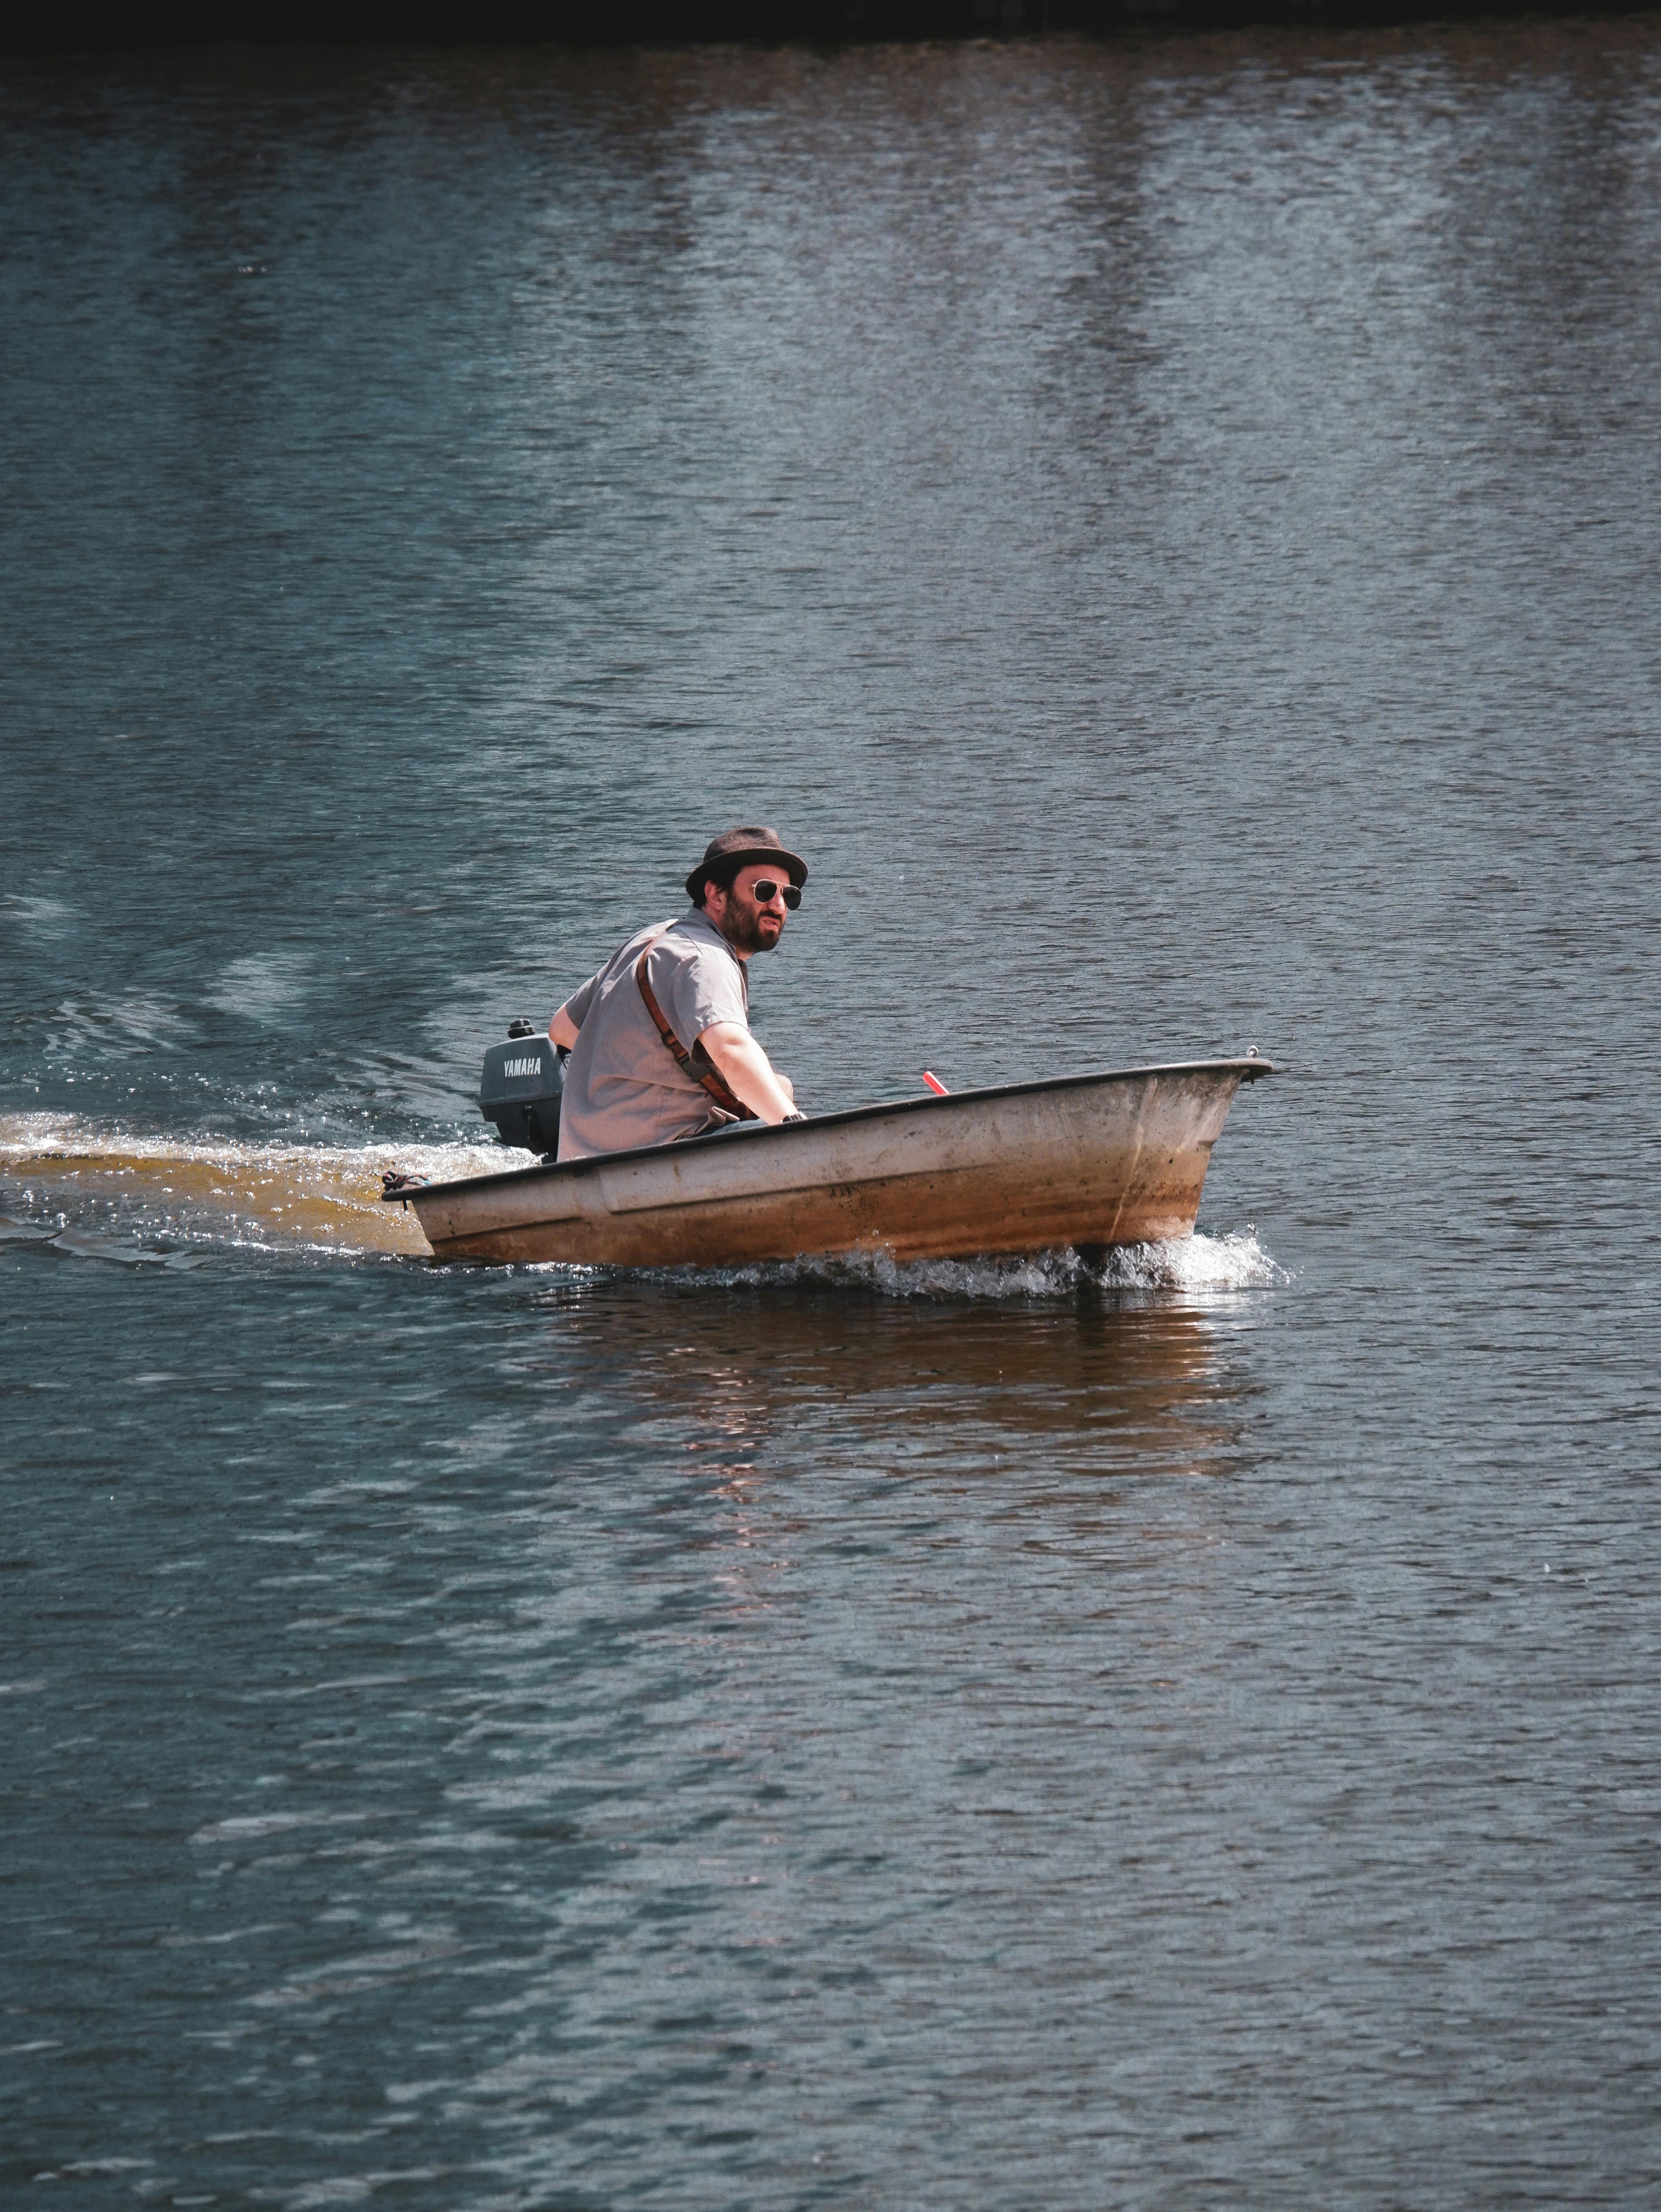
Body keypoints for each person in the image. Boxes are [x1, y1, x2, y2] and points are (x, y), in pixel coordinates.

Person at [548, 827, 808, 1161]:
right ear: (716, 894)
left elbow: (562, 1028)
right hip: (653, 1164)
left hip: (582, 1160)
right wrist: (798, 1132)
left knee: (777, 1087)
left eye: (789, 895)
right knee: (777, 1116)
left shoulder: (651, 941)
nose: (778, 905)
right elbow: (731, 1049)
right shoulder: (705, 958)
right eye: (764, 891)